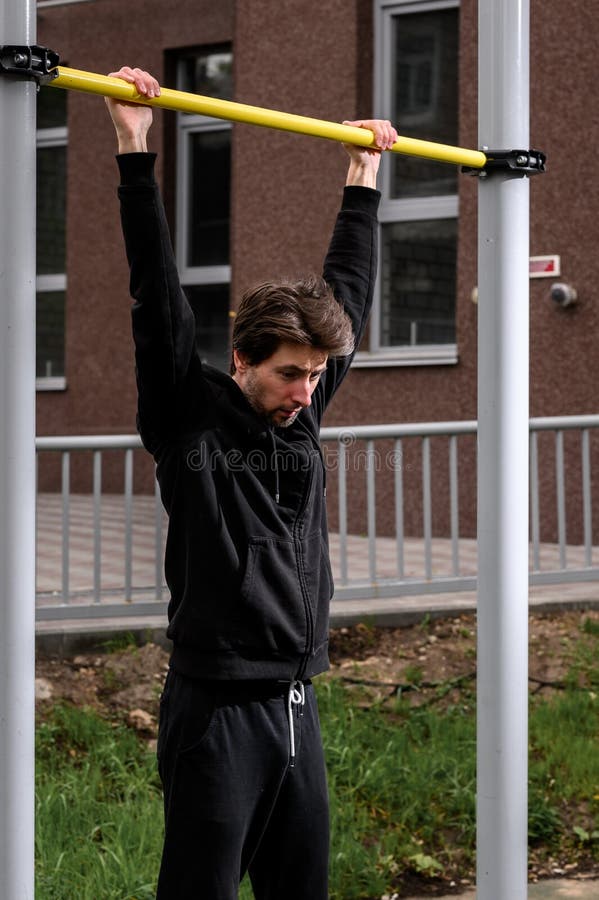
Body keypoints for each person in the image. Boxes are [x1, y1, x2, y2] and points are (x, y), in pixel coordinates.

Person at [105, 65, 397, 900]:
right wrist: (135, 148)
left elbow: (347, 293)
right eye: (290, 375)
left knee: (299, 887)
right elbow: (153, 300)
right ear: (242, 361)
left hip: (297, 704)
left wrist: (362, 179)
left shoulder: (300, 412)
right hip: (218, 711)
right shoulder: (186, 414)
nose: (307, 392)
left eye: (315, 375)